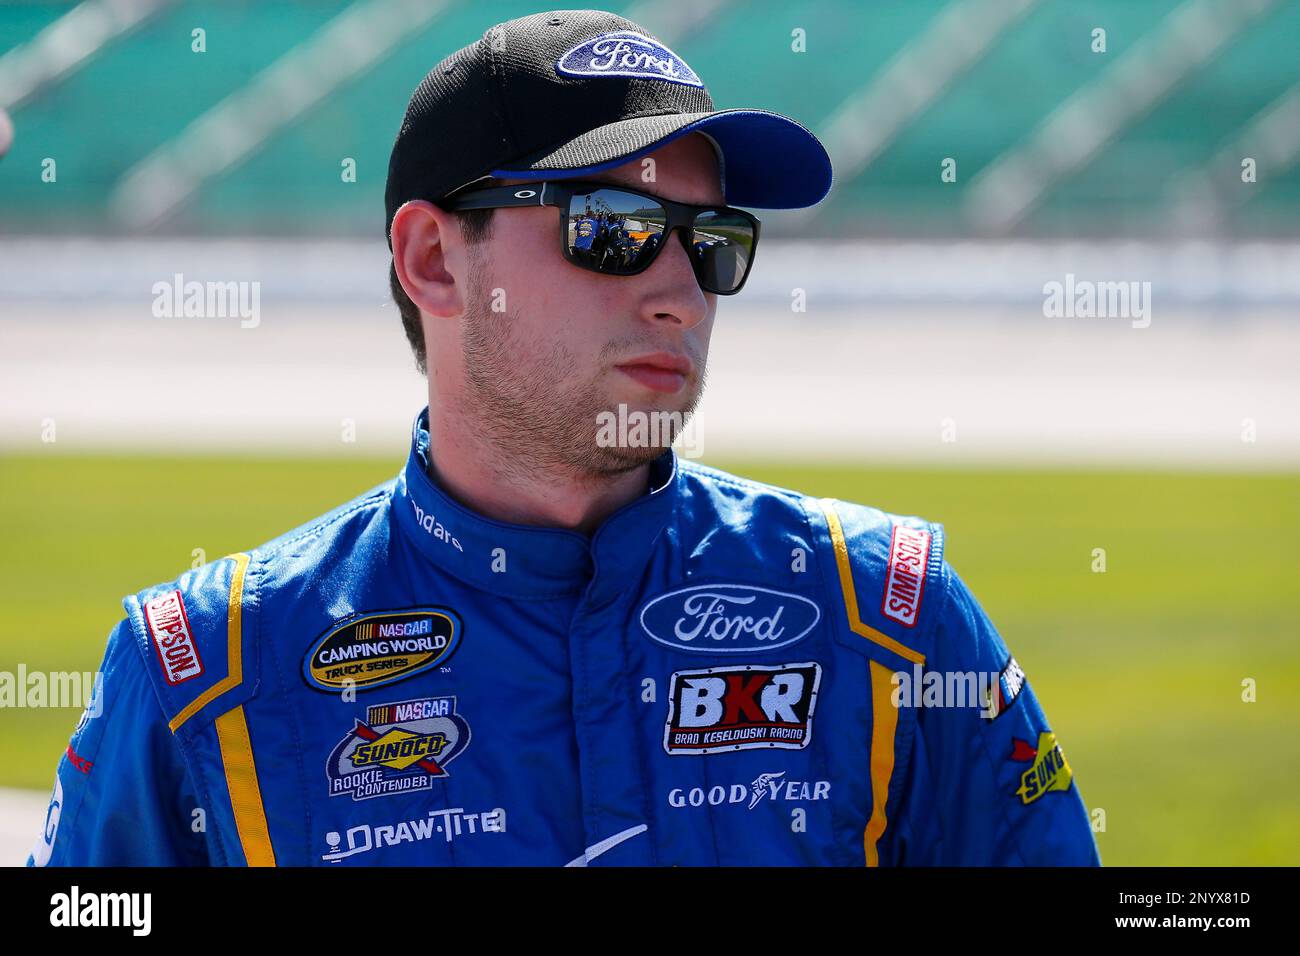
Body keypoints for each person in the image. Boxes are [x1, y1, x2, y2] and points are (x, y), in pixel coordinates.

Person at [29, 9, 1100, 867]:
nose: (681, 290)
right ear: (435, 261)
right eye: (616, 230)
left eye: (714, 241)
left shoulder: (888, 618)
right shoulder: (203, 670)